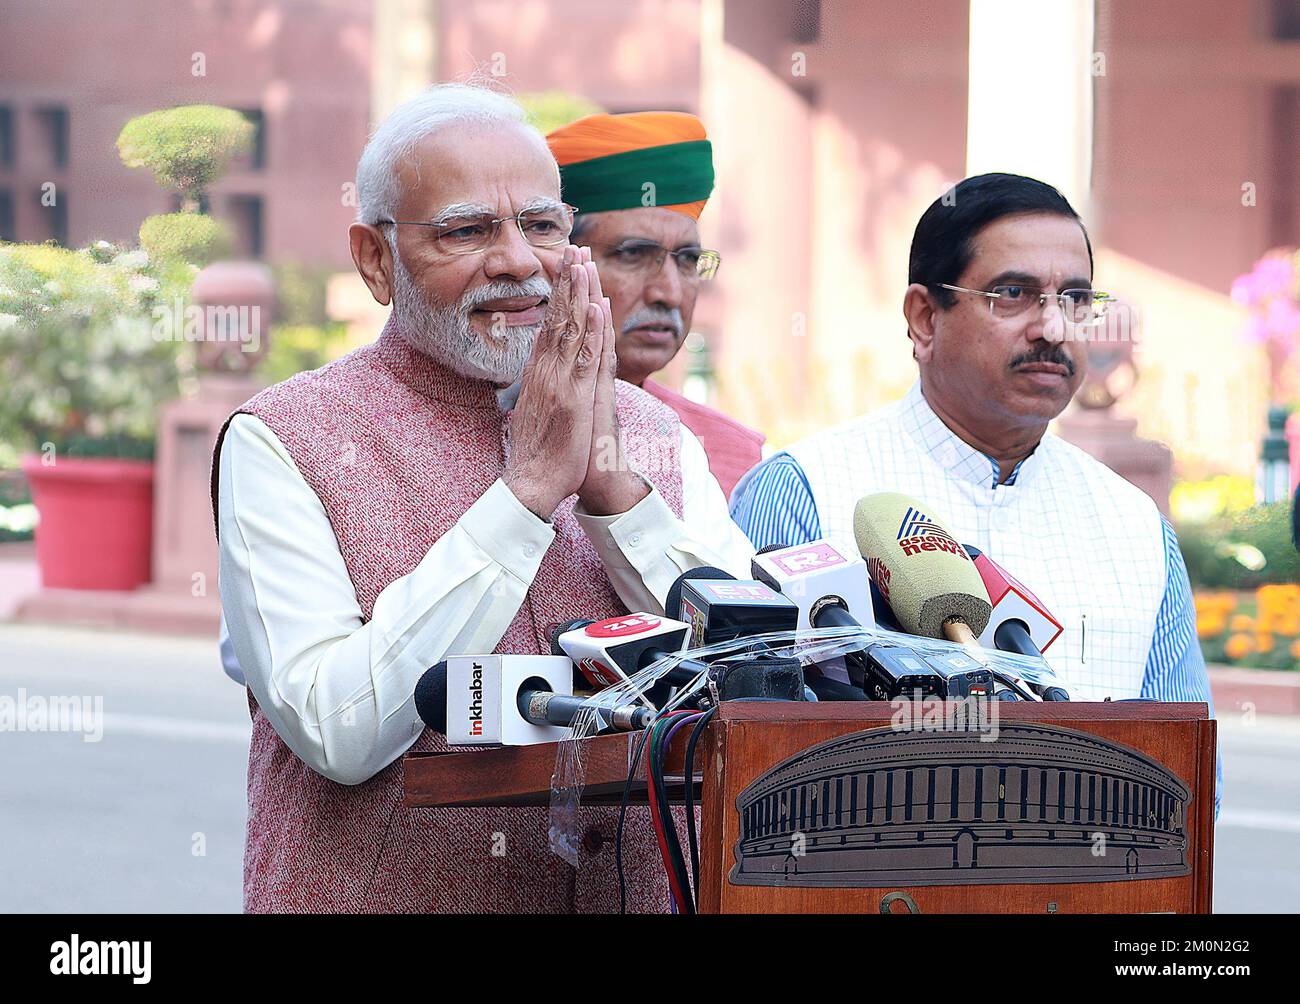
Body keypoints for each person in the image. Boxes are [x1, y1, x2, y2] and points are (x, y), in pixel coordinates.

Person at [213, 83, 754, 913]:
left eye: (541, 225)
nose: (518, 261)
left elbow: (754, 686)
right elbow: (338, 728)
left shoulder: (651, 436)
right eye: (467, 230)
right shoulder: (285, 439)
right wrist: (527, 493)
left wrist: (614, 493)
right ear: (374, 260)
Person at [730, 173, 1219, 811]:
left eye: (1074, 299)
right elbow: (744, 760)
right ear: (924, 318)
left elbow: (1188, 782)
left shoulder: (1134, 525)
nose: (1052, 327)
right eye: (1012, 294)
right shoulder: (803, 491)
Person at [547, 111, 765, 496]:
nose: (669, 293)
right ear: (558, 262)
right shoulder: (488, 429)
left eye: (687, 260)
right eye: (633, 254)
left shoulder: (733, 455)